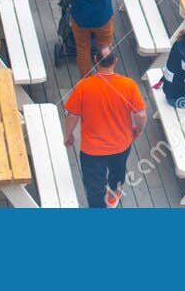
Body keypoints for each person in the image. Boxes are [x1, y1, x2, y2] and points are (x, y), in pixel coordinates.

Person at [61, 46, 146, 208]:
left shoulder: (84, 86)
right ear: (115, 61)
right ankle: (114, 194)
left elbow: (72, 115)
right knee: (118, 171)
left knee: (94, 185)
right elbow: (141, 114)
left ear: (95, 61)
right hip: (121, 143)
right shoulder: (128, 85)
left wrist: (68, 134)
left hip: (92, 149)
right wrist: (138, 129)